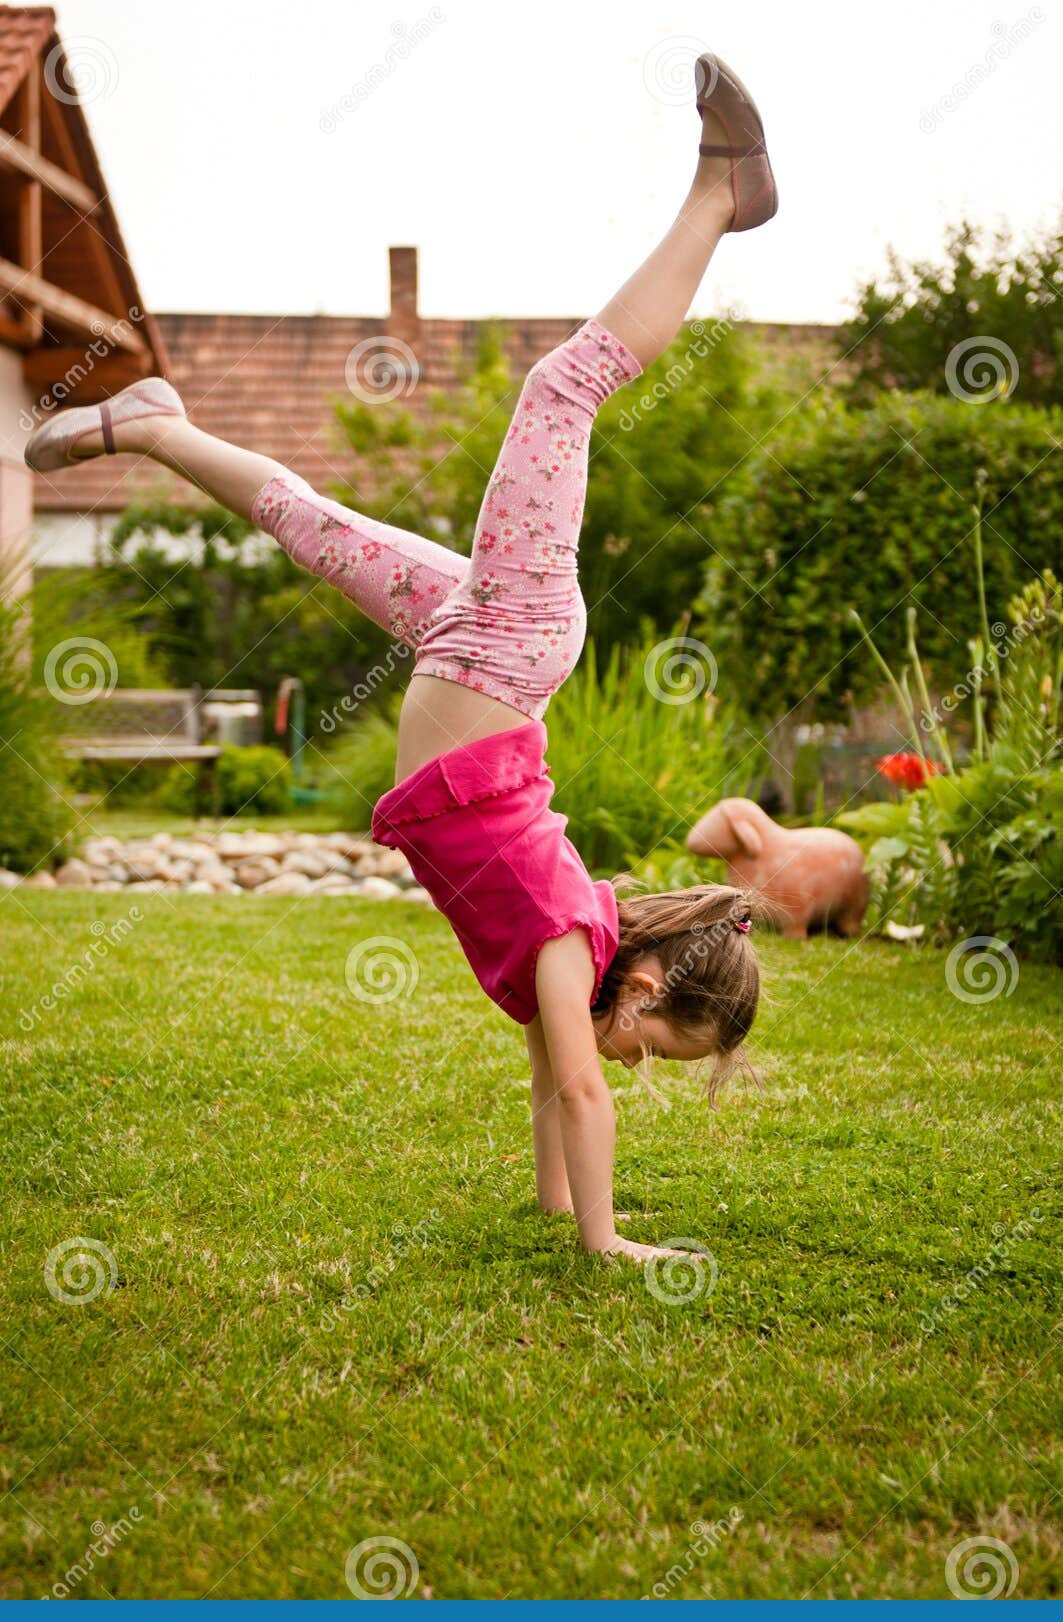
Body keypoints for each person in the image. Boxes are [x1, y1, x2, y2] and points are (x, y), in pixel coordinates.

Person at [26, 53, 776, 1263]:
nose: (628, 1064)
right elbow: (581, 1093)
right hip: (504, 644)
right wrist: (605, 1245)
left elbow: (550, 1087)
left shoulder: (568, 961)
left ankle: (156, 426)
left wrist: (553, 1209)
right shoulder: (562, 938)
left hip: (463, 640)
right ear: (645, 990)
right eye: (658, 1046)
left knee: (310, 528)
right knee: (560, 390)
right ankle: (721, 194)